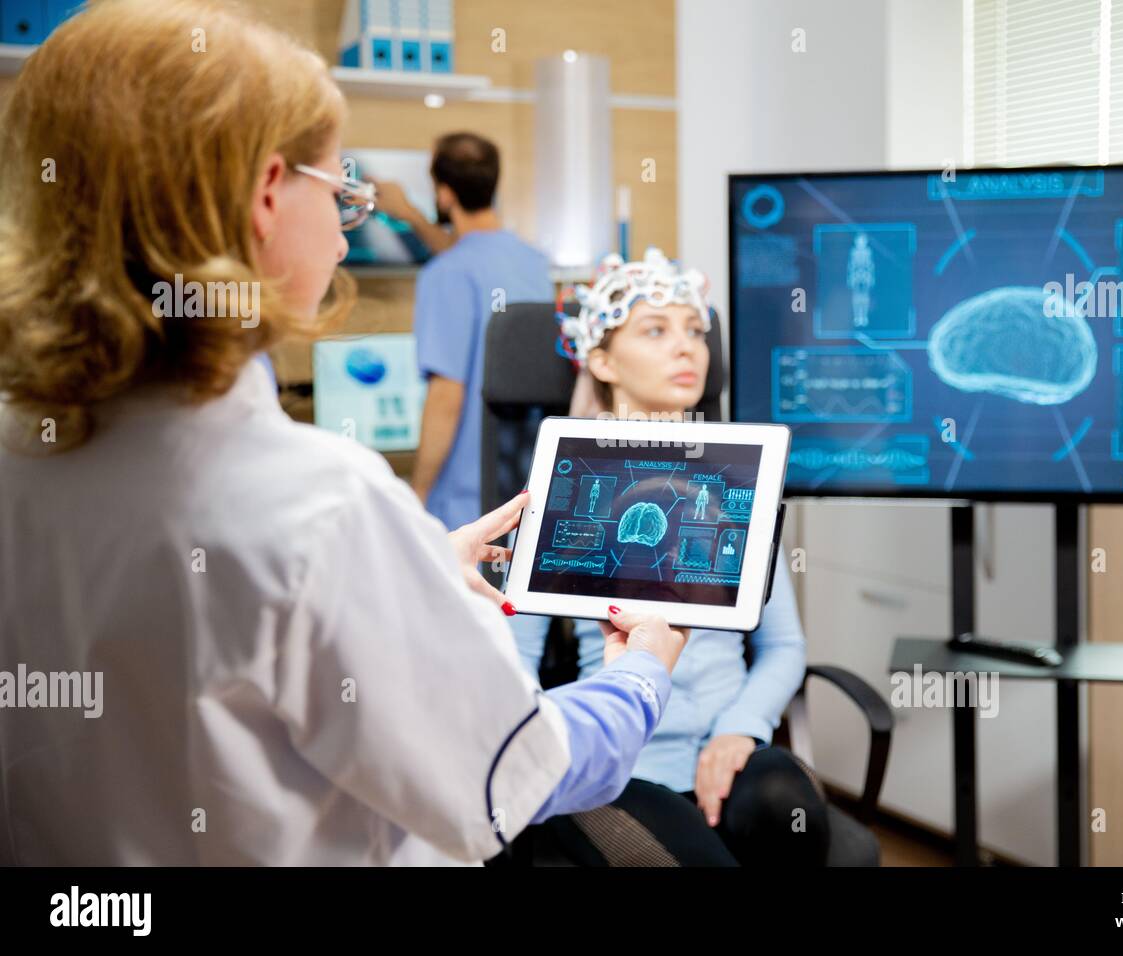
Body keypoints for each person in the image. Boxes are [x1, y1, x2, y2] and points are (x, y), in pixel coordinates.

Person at [0, 0, 687, 867]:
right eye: (342, 192)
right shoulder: (321, 506)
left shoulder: (22, 453)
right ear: (264, 198)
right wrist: (643, 673)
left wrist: (416, 564)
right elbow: (516, 776)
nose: (342, 229)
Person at [510, 249, 834, 866]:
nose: (687, 347)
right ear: (600, 359)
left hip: (731, 743)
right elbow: (514, 664)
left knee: (784, 812)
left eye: (695, 330)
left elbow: (783, 646)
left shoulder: (743, 481)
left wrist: (740, 729)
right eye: (656, 330)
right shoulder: (561, 490)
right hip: (617, 760)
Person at [407, 132, 552, 531]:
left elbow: (446, 396)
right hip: (522, 490)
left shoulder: (445, 275)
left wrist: (416, 493)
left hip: (463, 504)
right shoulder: (534, 263)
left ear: (444, 194)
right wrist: (412, 218)